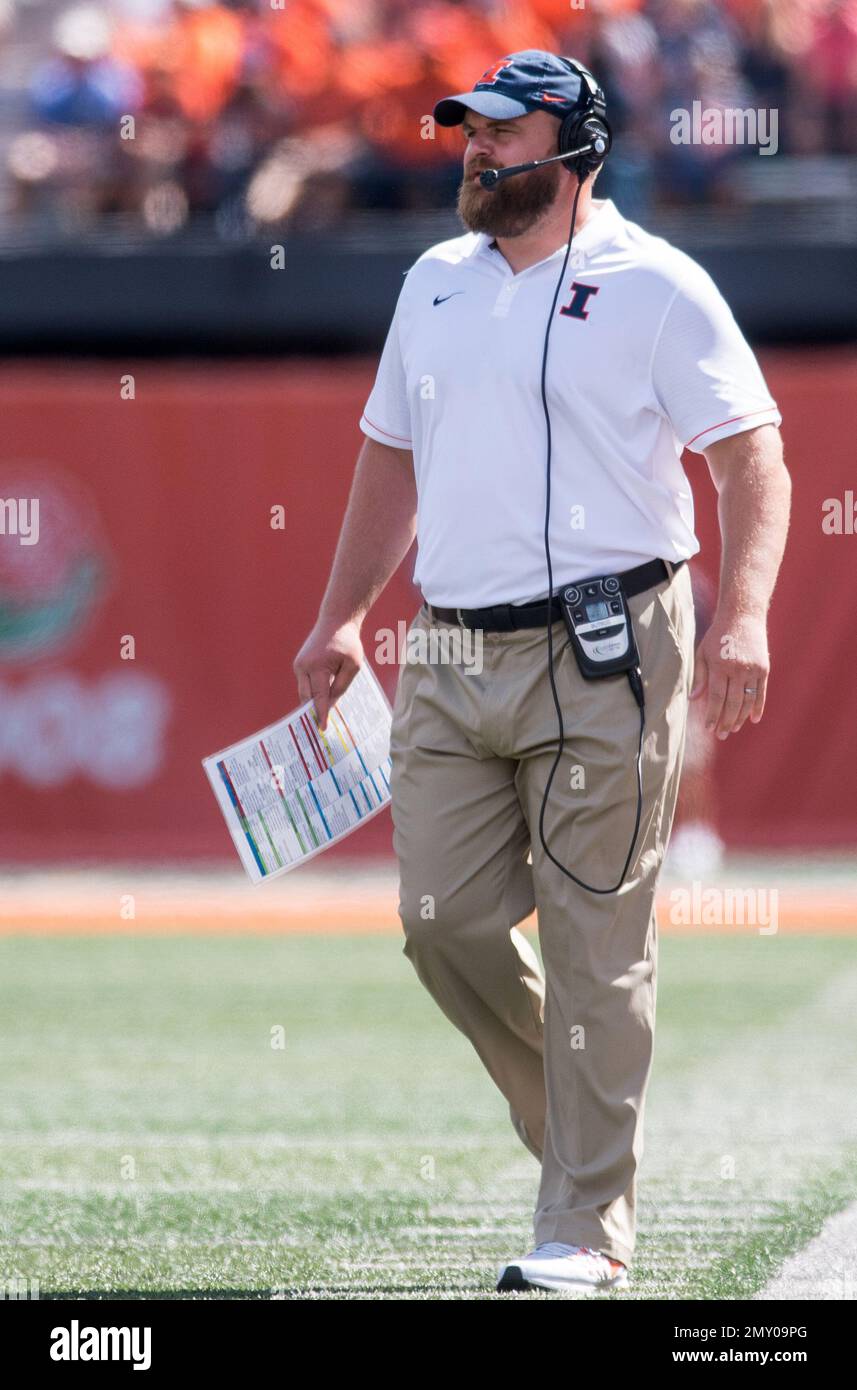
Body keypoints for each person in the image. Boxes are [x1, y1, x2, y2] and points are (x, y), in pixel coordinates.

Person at [294, 49, 791, 1295]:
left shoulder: (658, 286)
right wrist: (339, 615)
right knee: (438, 924)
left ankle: (581, 1227)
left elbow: (753, 461)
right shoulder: (431, 283)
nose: (473, 149)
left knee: (592, 940)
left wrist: (742, 621)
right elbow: (386, 458)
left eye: (502, 134)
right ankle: (581, 1135)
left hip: (606, 647)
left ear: (573, 151)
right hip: (451, 644)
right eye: (468, 130)